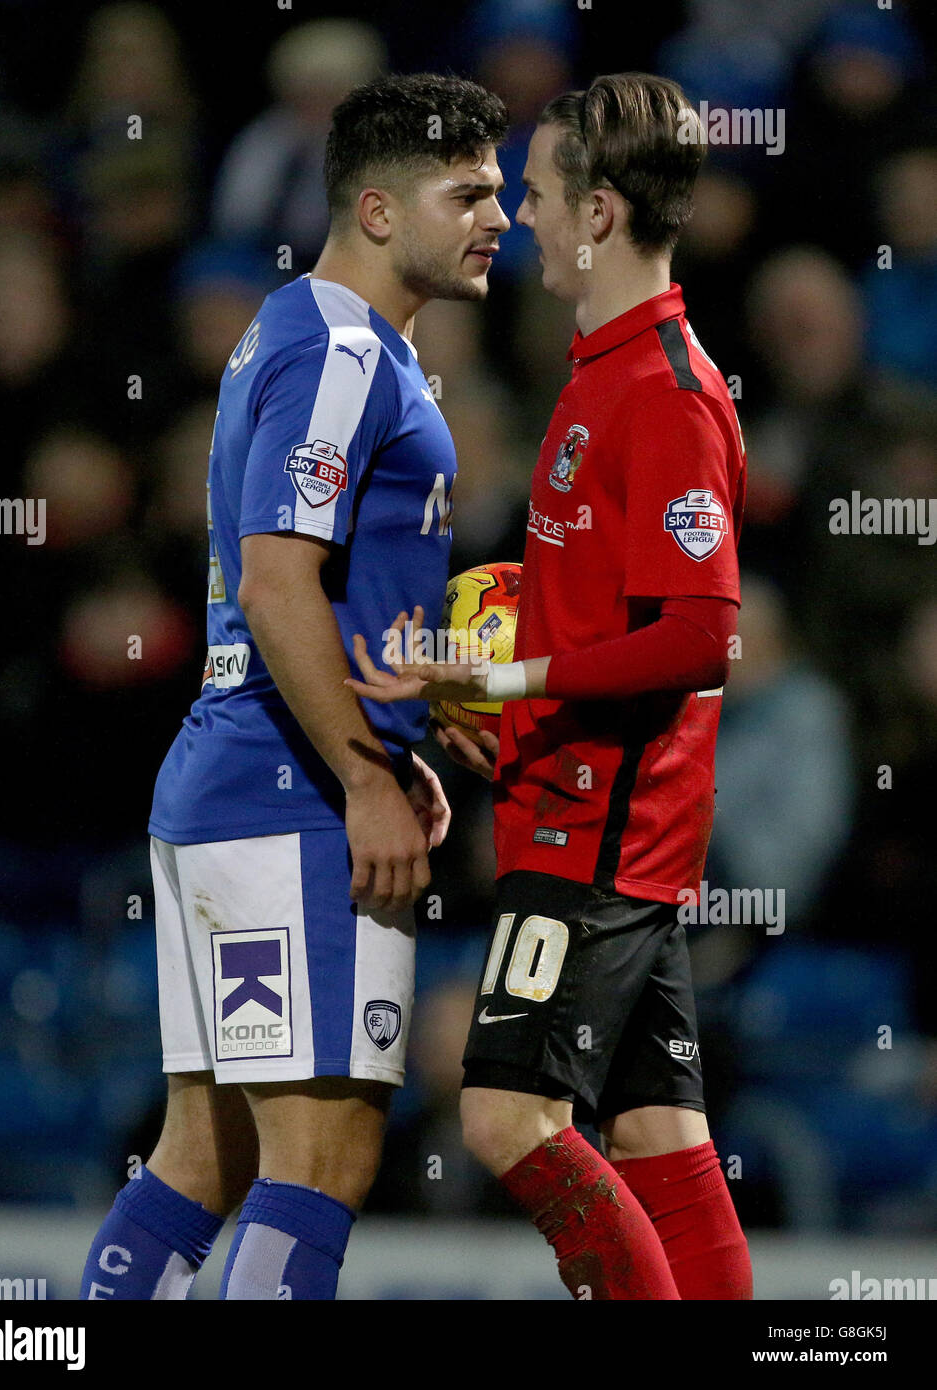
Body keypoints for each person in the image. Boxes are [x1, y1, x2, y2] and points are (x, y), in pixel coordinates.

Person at [80, 72, 509, 1301]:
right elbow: (277, 587)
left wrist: (404, 721)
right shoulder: (340, 348)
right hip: (285, 797)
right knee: (320, 1161)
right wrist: (363, 775)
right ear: (377, 209)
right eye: (467, 191)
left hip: (243, 778)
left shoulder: (304, 332)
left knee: (201, 1155)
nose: (498, 216)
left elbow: (313, 592)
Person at [347, 72, 752, 1300]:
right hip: (575, 808)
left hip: (602, 829)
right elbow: (606, 597)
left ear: (600, 214)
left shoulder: (668, 393)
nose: (516, 216)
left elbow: (696, 634)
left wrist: (512, 676)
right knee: (657, 1145)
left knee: (502, 1119)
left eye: (534, 192)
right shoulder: (600, 370)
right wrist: (491, 685)